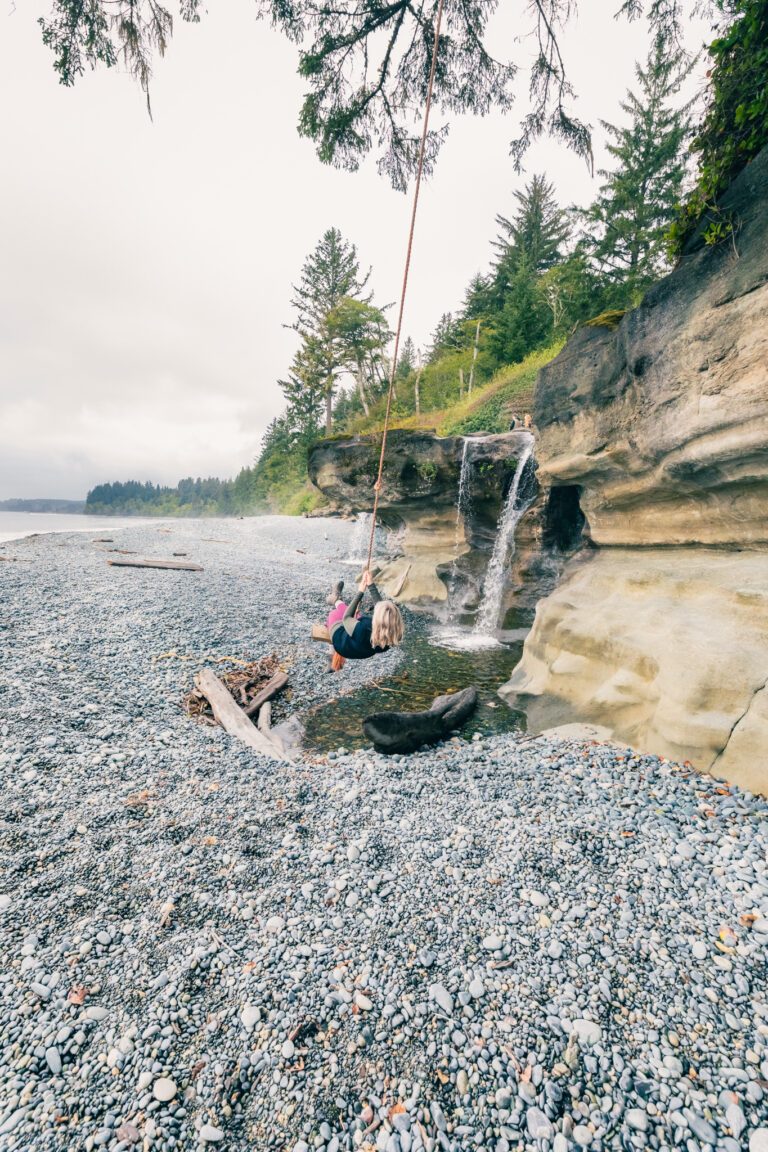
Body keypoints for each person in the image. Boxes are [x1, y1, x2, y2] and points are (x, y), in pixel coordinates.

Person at [325, 572, 404, 669]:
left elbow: (347, 618)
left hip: (342, 646)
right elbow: (381, 609)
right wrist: (371, 585)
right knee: (357, 618)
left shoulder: (362, 628)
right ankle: (336, 599)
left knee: (335, 614)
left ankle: (336, 600)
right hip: (364, 652)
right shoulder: (395, 635)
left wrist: (360, 592)